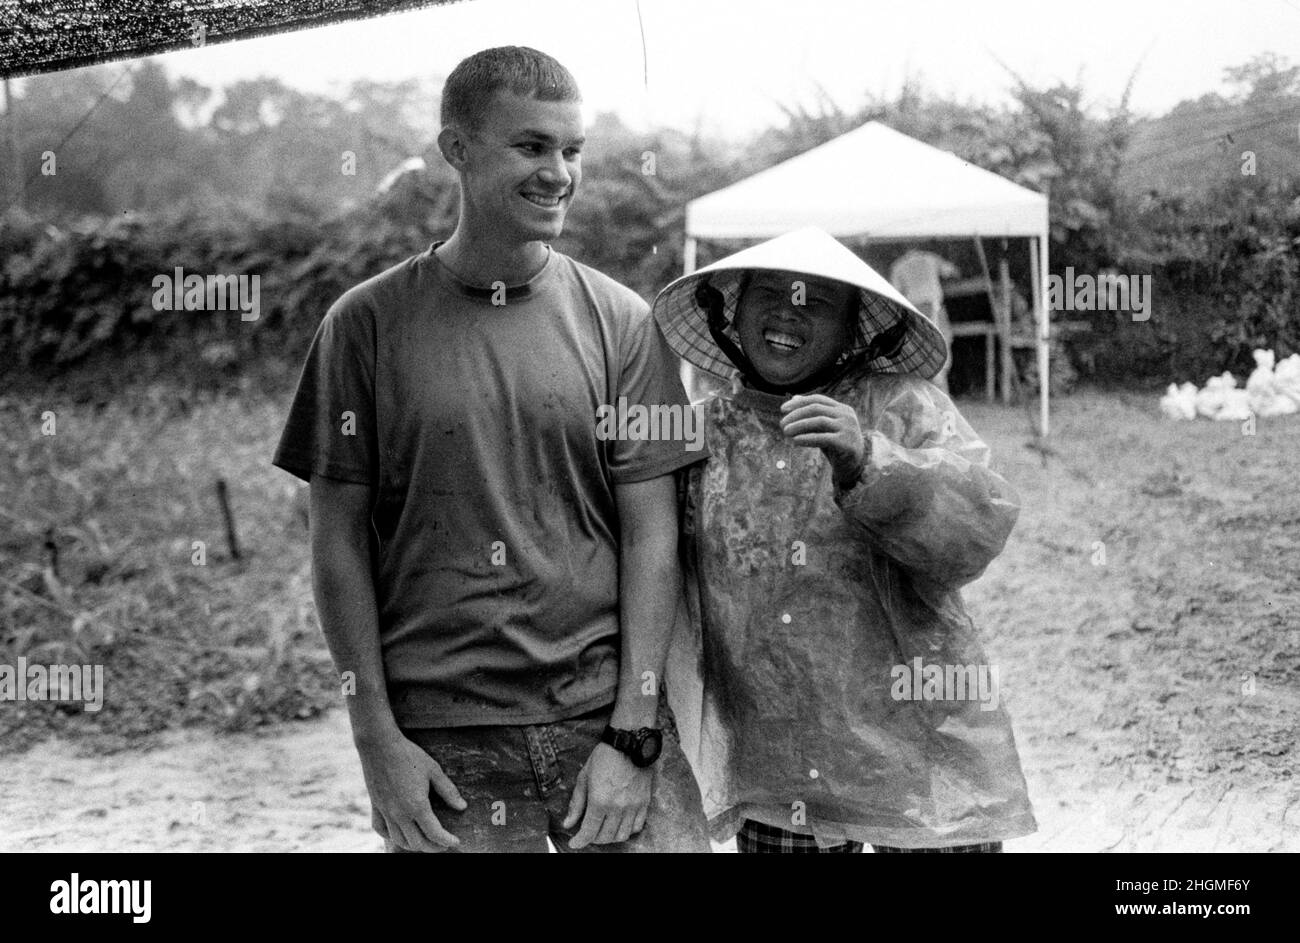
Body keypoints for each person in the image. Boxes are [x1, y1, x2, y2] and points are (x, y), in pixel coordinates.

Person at [272, 46, 710, 853]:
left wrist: (636, 734)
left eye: (572, 150)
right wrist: (376, 742)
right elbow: (335, 543)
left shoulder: (622, 323)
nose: (559, 174)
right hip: (441, 738)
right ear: (458, 149)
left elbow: (655, 535)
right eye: (532, 147)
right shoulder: (362, 327)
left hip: (601, 720)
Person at [656, 227, 1037, 852]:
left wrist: (868, 459)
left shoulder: (902, 406)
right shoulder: (699, 437)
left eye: (818, 302)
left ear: (852, 330)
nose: (788, 311)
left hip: (921, 754)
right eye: (770, 293)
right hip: (776, 763)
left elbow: (977, 532)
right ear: (733, 311)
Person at [889, 247, 959, 392]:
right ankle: (940, 389)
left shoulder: (898, 265)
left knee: (917, 349)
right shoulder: (930, 258)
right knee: (942, 344)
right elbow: (951, 271)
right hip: (932, 307)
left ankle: (926, 390)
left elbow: (895, 292)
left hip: (914, 310)